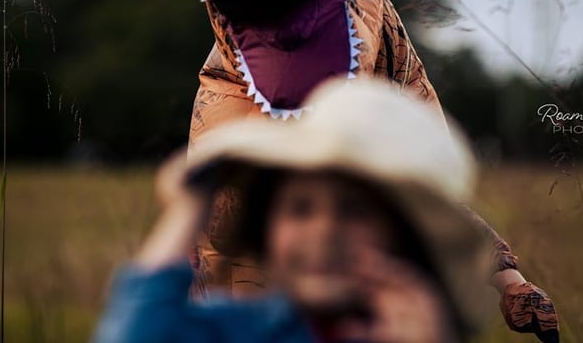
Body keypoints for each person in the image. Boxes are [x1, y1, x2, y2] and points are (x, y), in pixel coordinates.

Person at [94, 78, 492, 342]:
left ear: (404, 235)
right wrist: (192, 201)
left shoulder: (420, 334)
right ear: (264, 226)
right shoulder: (241, 328)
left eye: (354, 211)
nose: (325, 230)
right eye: (300, 209)